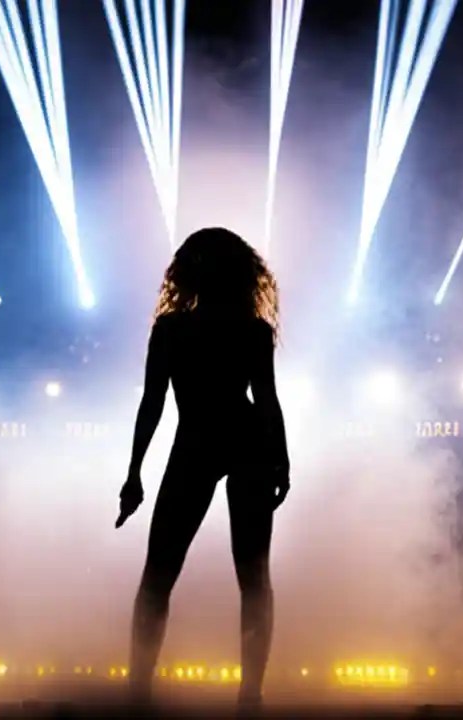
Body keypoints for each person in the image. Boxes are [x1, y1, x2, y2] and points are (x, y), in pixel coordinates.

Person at [116, 227, 291, 710]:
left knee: (163, 572)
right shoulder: (249, 330)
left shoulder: (173, 329)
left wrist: (135, 473)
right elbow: (266, 401)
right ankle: (248, 694)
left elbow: (153, 403)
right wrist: (281, 458)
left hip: (200, 441)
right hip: (239, 439)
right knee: (251, 575)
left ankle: (140, 690)